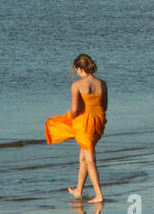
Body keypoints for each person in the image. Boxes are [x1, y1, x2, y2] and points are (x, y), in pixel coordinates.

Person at [45, 53, 107, 202]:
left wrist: (67, 118)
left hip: (84, 123)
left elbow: (74, 109)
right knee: (83, 157)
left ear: (80, 69)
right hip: (98, 121)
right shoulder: (102, 83)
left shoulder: (77, 85)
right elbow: (104, 106)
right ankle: (78, 190)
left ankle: (99, 194)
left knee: (90, 158)